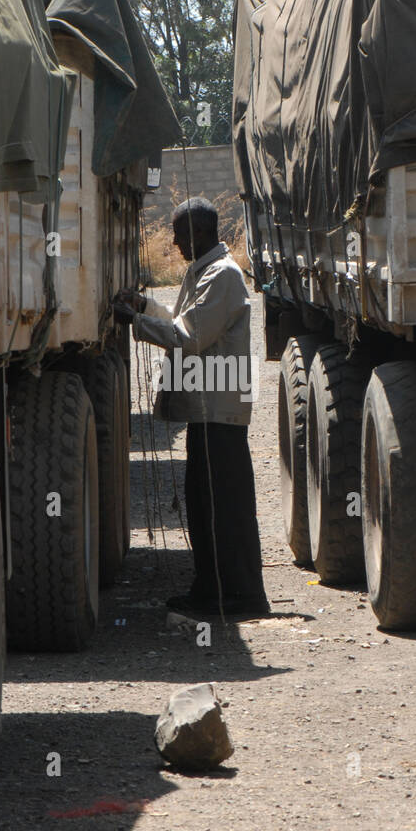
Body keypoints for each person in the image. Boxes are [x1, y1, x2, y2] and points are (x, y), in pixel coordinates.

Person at [116, 198, 269, 621]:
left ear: (201, 234)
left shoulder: (222, 275)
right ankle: (215, 592)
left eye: (180, 235)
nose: (176, 243)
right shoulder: (208, 271)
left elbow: (190, 336)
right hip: (209, 412)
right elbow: (186, 320)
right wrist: (144, 309)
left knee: (221, 509)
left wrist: (135, 323)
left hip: (218, 412)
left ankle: (236, 596)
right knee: (207, 506)